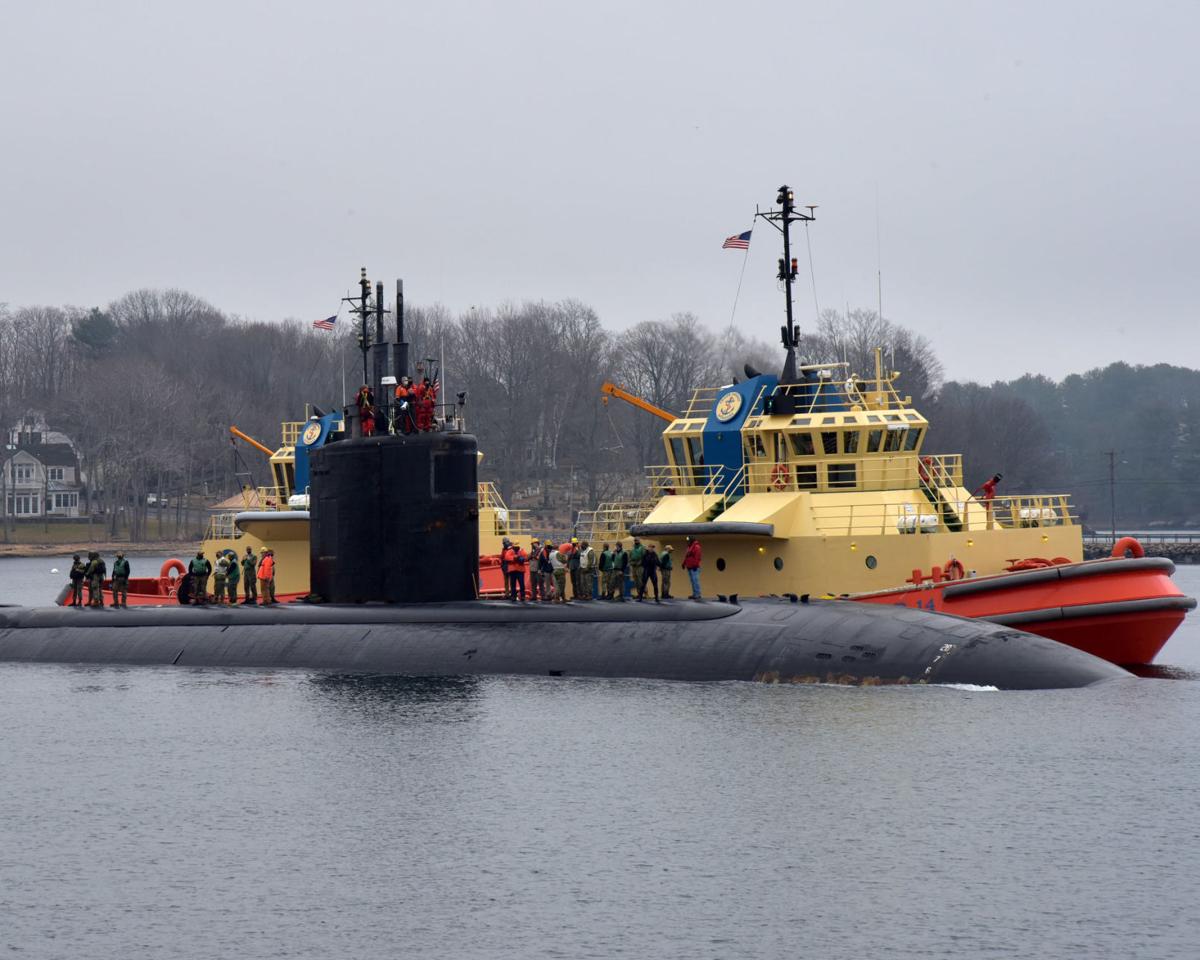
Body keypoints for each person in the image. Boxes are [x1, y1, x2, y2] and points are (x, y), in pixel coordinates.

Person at [684, 536, 703, 600]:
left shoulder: (696, 547)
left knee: (695, 580)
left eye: (688, 541)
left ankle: (698, 594)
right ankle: (695, 594)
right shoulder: (689, 547)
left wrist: (695, 565)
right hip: (689, 566)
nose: (687, 542)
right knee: (692, 581)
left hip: (694, 567)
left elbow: (697, 557)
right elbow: (687, 556)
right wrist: (684, 564)